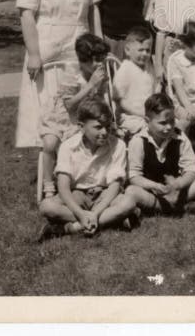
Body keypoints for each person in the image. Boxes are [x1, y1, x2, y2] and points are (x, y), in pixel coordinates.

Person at [15, 0, 94, 149]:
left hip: (79, 48)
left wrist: (94, 45)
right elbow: (26, 14)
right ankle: (50, 163)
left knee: (78, 104)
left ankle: (76, 164)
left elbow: (89, 12)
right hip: (48, 49)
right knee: (49, 109)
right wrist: (34, 54)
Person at [38, 99, 137, 240]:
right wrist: (80, 213)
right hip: (77, 195)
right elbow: (63, 187)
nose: (104, 132)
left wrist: (95, 213)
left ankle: (70, 228)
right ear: (81, 127)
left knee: (129, 203)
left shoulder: (118, 145)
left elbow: (115, 185)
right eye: (98, 127)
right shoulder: (68, 146)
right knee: (46, 206)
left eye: (107, 126)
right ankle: (110, 220)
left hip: (104, 195)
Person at [39, 33, 111, 198]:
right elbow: (69, 106)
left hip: (86, 117)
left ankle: (87, 180)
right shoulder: (72, 72)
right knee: (50, 143)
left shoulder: (100, 73)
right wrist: (91, 84)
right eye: (96, 60)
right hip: (62, 117)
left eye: (102, 59)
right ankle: (48, 183)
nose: (100, 64)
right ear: (83, 60)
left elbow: (101, 99)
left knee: (95, 139)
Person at [124, 93, 195, 215]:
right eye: (163, 123)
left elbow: (192, 169)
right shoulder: (138, 141)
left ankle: (164, 207)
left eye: (172, 121)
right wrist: (154, 186)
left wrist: (178, 183)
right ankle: (178, 207)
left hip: (176, 188)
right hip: (152, 191)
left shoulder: (180, 137)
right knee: (131, 191)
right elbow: (134, 176)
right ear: (147, 121)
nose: (169, 127)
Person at [112, 25, 157, 139]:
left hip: (147, 115)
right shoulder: (125, 69)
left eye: (148, 50)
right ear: (127, 50)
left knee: (166, 125)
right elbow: (119, 100)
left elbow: (153, 93)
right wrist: (141, 114)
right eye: (140, 50)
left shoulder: (149, 68)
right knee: (153, 128)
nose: (144, 54)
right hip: (128, 117)